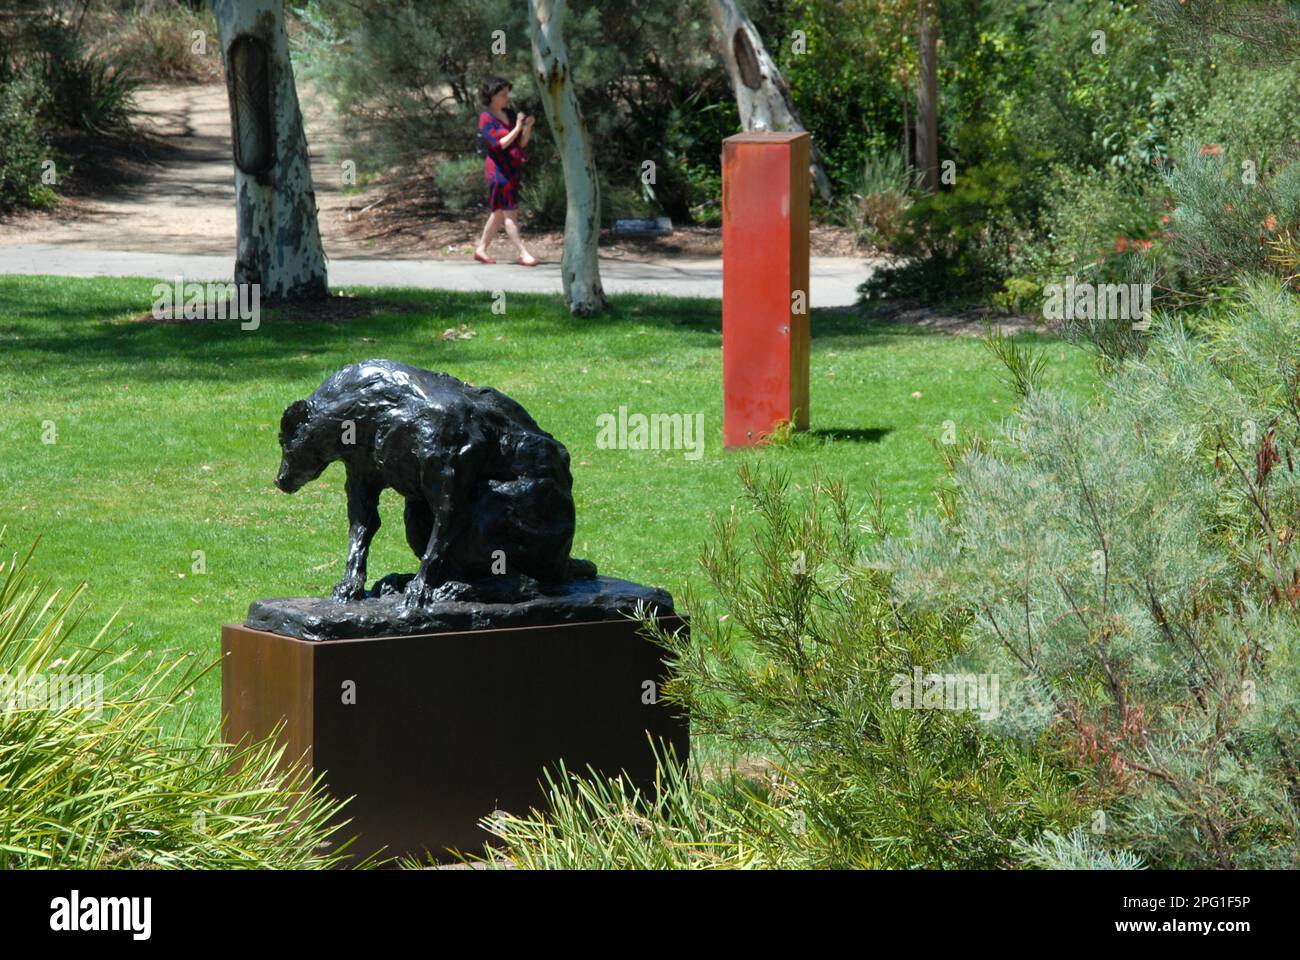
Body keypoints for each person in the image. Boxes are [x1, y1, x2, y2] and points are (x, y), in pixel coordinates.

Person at [474, 77, 538, 266]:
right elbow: (498, 144)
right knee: (510, 212)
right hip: (498, 171)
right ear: (492, 97)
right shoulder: (486, 118)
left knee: (499, 212)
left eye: (507, 93)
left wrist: (527, 127)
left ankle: (481, 249)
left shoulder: (509, 114)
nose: (506, 97)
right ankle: (524, 253)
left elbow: (520, 143)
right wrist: (518, 127)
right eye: (502, 94)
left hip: (513, 168)